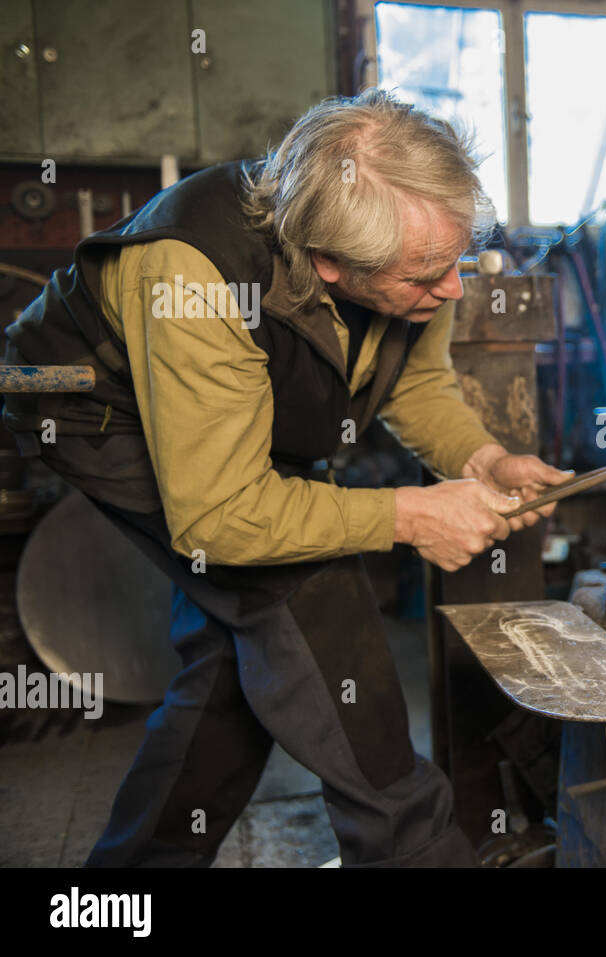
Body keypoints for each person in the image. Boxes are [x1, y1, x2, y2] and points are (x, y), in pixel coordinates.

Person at [2, 89, 570, 866]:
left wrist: (483, 460)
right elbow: (222, 516)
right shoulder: (195, 275)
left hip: (233, 411)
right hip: (95, 403)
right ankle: (415, 843)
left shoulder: (418, 245)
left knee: (236, 671)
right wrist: (409, 515)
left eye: (458, 261)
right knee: (308, 595)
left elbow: (410, 382)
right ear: (329, 264)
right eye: (427, 277)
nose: (454, 291)